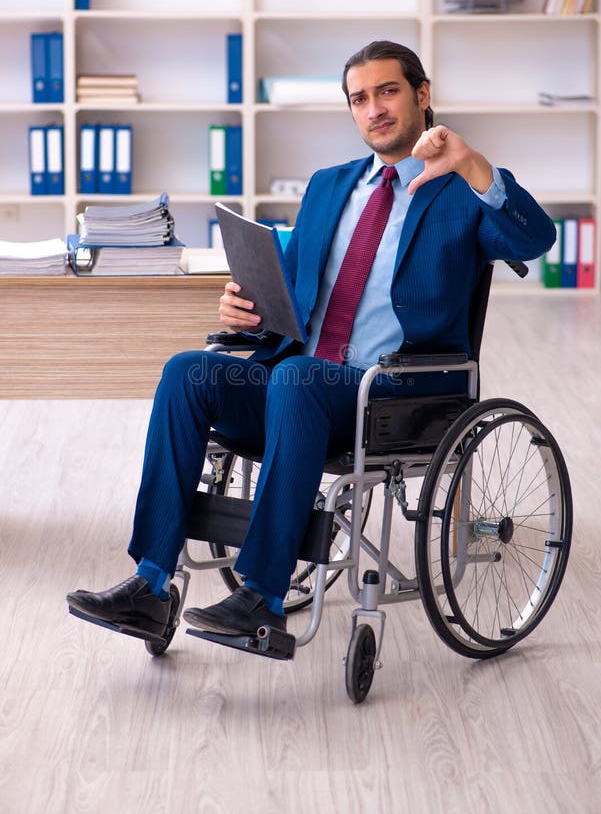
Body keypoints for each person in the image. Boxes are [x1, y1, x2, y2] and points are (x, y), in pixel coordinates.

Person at [67, 40, 556, 642]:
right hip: (300, 385)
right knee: (186, 372)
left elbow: (536, 239)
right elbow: (291, 299)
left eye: (387, 91)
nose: (373, 108)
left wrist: (472, 162)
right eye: (359, 98)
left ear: (422, 96)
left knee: (296, 379)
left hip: (390, 396)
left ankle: (264, 599)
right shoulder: (329, 186)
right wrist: (248, 311)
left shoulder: (462, 193)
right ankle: (150, 583)